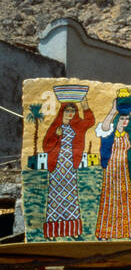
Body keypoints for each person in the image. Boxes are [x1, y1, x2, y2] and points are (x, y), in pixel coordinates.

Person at [94, 93, 131, 239]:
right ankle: (105, 233)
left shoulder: (130, 135)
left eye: (127, 118)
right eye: (122, 118)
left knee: (124, 200)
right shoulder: (109, 133)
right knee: (110, 200)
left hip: (123, 171)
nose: (125, 121)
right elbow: (106, 125)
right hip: (111, 169)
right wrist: (114, 110)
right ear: (117, 119)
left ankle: (128, 232)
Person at [41, 99, 95, 239]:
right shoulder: (55, 127)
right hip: (57, 167)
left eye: (73, 111)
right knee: (55, 198)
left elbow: (90, 121)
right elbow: (46, 147)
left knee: (71, 199)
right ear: (62, 111)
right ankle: (53, 232)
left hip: (70, 167)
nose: (70, 114)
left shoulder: (76, 127)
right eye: (68, 111)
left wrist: (85, 105)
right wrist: (56, 136)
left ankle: (73, 231)